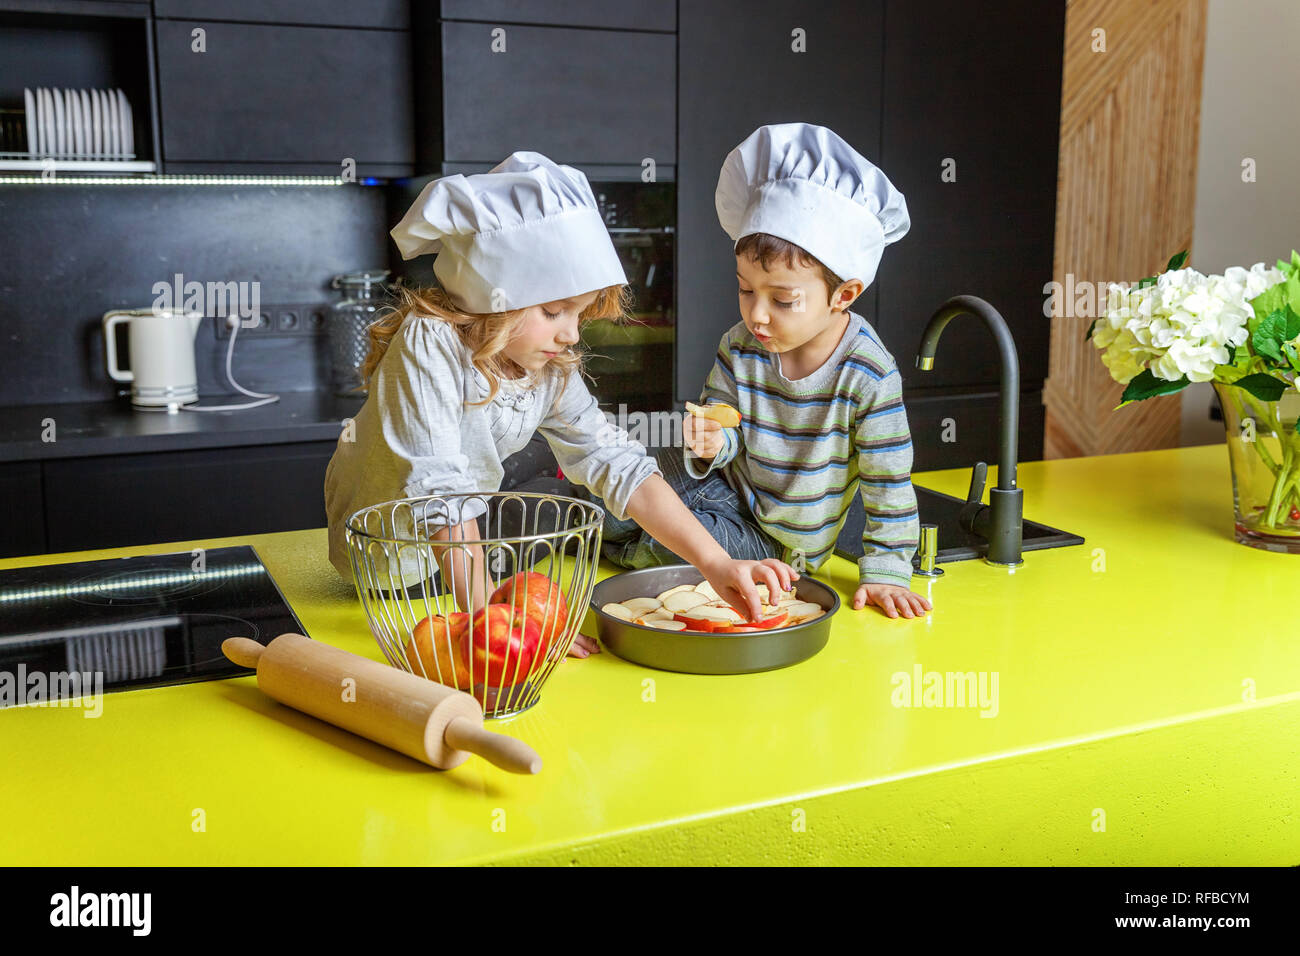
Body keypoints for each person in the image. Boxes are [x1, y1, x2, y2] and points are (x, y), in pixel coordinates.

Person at [324, 151, 797, 657]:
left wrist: (716, 562)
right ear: (492, 296)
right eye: (553, 311)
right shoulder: (430, 341)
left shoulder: (548, 366)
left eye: (579, 314)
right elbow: (443, 489)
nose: (571, 333)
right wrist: (499, 627)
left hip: (461, 559)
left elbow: (615, 462)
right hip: (382, 563)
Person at [599, 124, 932, 620]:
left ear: (844, 295)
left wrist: (886, 571)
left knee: (681, 544)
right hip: (723, 487)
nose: (757, 314)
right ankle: (592, 511)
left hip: (774, 543)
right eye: (745, 289)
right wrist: (713, 440)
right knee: (620, 481)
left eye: (782, 299)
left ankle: (627, 545)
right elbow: (726, 419)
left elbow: (889, 483)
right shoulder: (740, 344)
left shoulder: (867, 374)